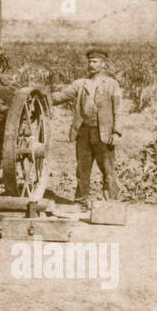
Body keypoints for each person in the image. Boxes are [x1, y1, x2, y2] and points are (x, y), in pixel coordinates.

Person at [51, 48, 123, 206]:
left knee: (107, 168)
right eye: (90, 61)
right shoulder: (80, 84)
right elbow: (61, 97)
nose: (91, 64)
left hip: (103, 132)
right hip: (83, 131)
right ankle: (80, 201)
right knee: (82, 168)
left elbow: (118, 110)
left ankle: (111, 202)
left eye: (95, 61)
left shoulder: (112, 84)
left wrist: (116, 132)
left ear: (103, 64)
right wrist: (43, 95)